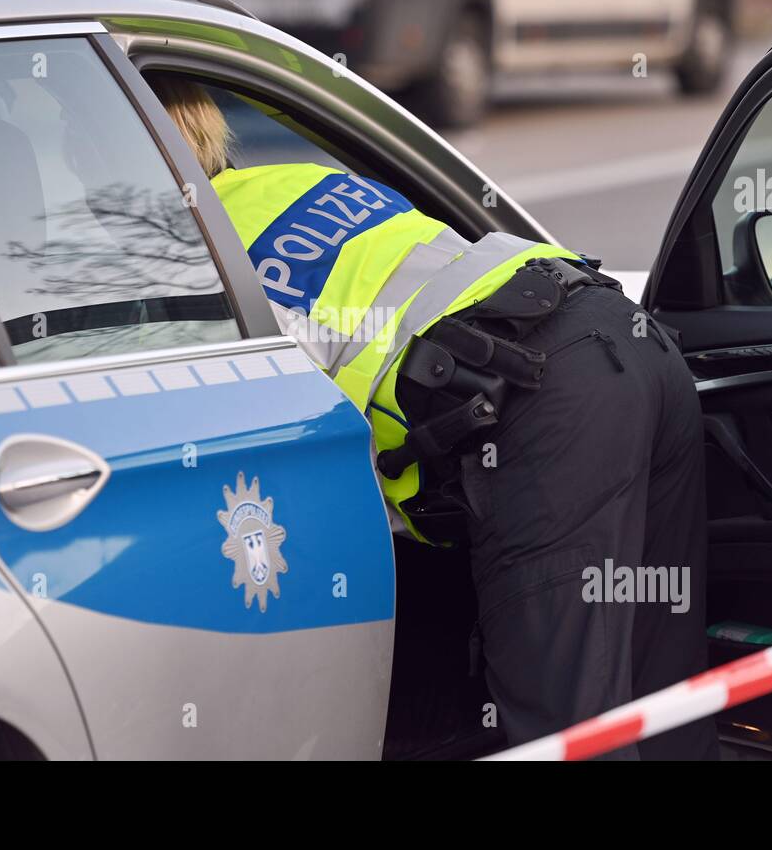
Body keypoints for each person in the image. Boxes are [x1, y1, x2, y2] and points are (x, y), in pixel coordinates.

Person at [152, 76, 718, 759]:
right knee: (665, 702)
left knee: (567, 731)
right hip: (623, 334)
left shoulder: (181, 265)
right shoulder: (298, 180)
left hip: (538, 404)